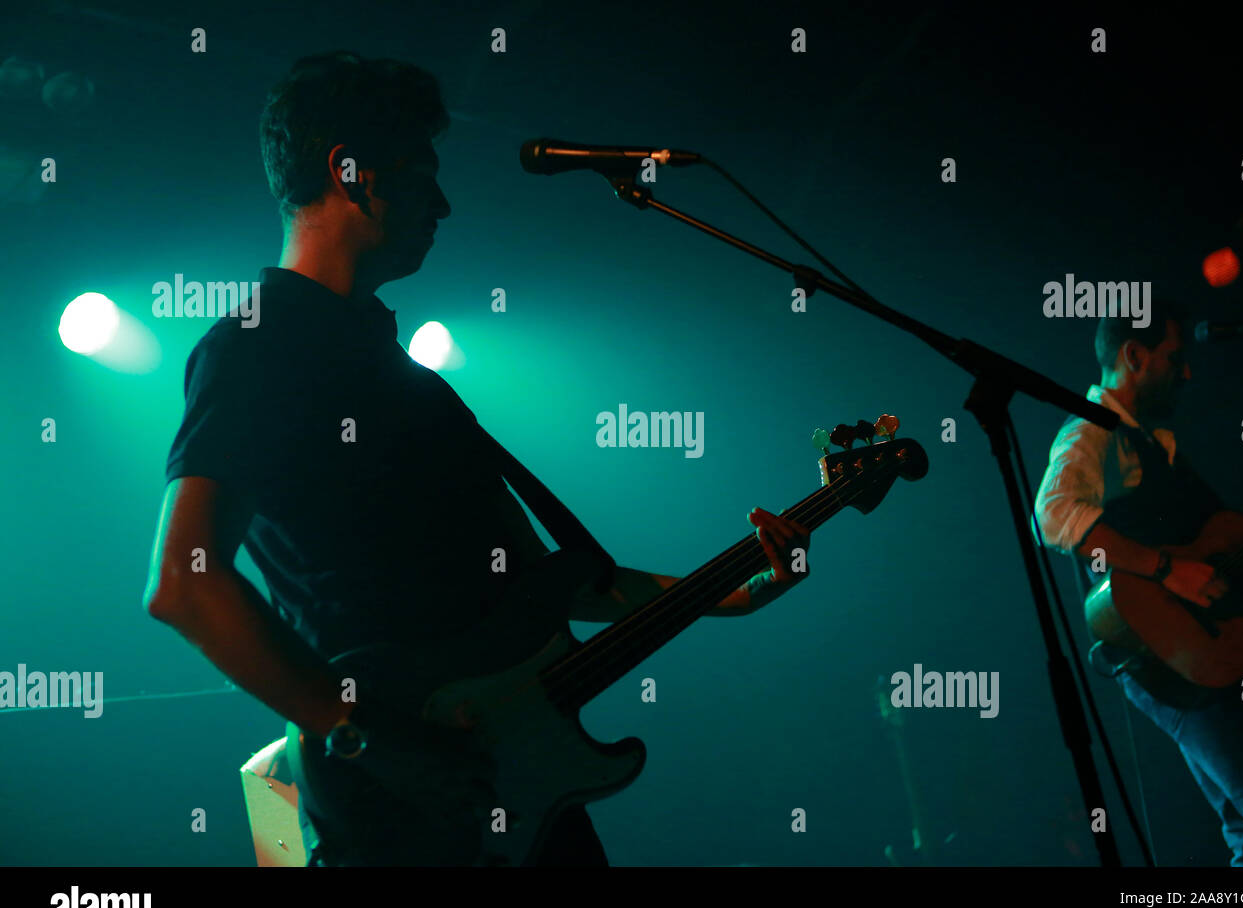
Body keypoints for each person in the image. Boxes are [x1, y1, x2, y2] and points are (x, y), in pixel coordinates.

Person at [141, 51, 811, 866]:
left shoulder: (406, 377)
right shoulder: (256, 346)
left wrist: (736, 592)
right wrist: (362, 739)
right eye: (423, 173)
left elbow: (544, 586)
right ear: (350, 173)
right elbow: (184, 581)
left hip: (517, 792)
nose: (446, 203)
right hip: (401, 810)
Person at [1034, 303, 1243, 865]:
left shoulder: (1151, 443)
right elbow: (1054, 514)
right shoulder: (1089, 431)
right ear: (1134, 355)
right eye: (1174, 358)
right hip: (1168, 658)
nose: (1186, 374)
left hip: (1195, 653)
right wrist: (1165, 569)